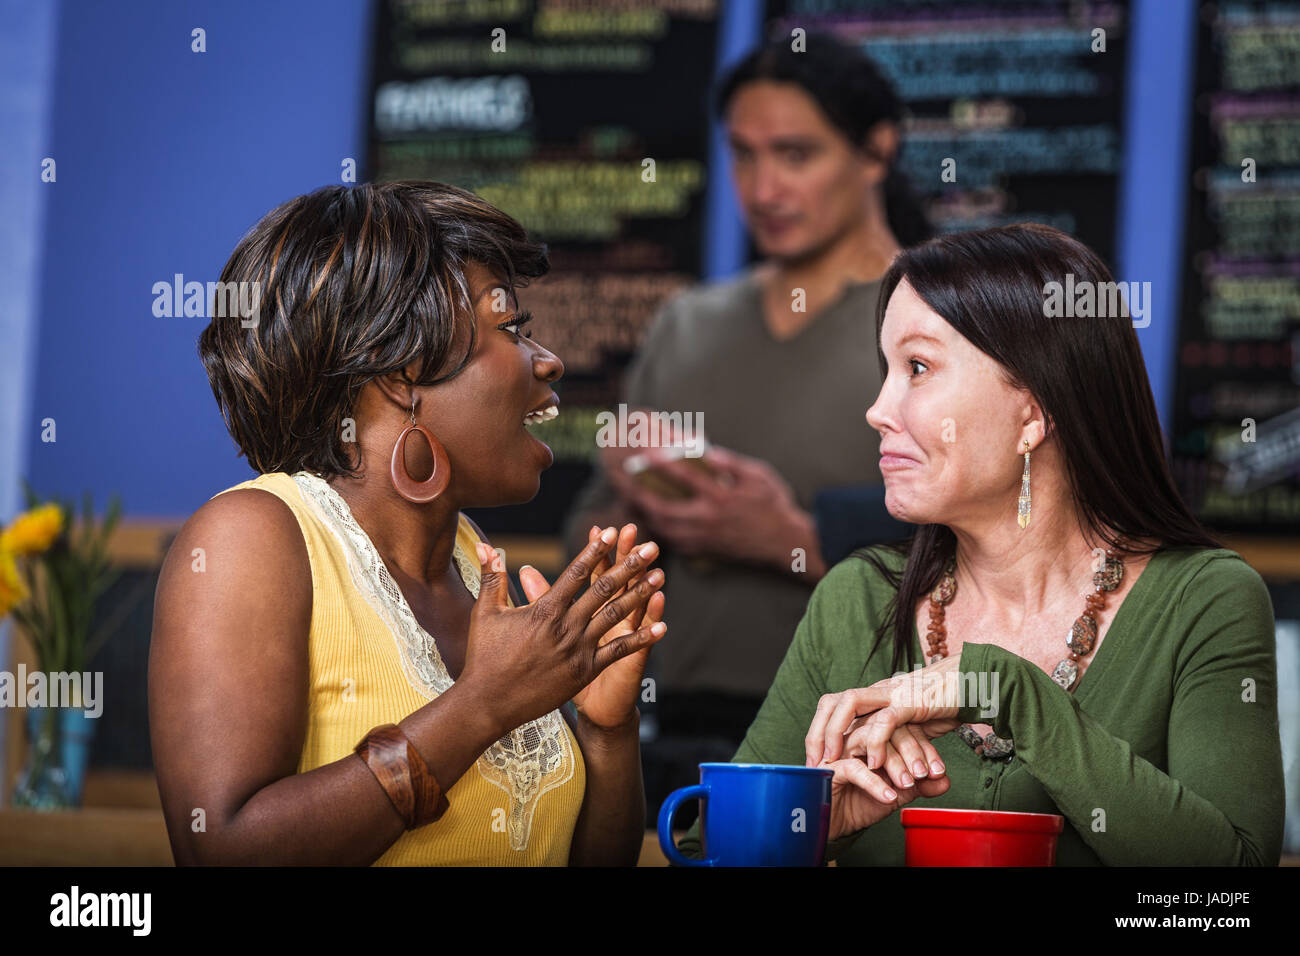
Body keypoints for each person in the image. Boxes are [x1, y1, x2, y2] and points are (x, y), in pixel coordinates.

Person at [676, 223, 1285, 865]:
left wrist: (1006, 692)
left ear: (1034, 411)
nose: (878, 410)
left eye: (918, 367)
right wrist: (811, 826)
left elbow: (1229, 897)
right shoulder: (855, 599)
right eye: (886, 370)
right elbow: (700, 852)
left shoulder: (1206, 600)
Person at [149, 181, 669, 866]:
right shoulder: (252, 536)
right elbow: (222, 851)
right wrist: (483, 705)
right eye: (511, 329)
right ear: (402, 372)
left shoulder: (472, 558)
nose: (548, 360)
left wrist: (605, 727)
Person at [564, 33, 933, 784]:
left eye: (796, 154)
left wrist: (789, 538)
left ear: (875, 151)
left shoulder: (943, 318)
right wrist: (642, 497)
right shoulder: (687, 324)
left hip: (869, 741)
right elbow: (588, 541)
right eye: (744, 154)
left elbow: (999, 552)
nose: (763, 189)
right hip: (670, 736)